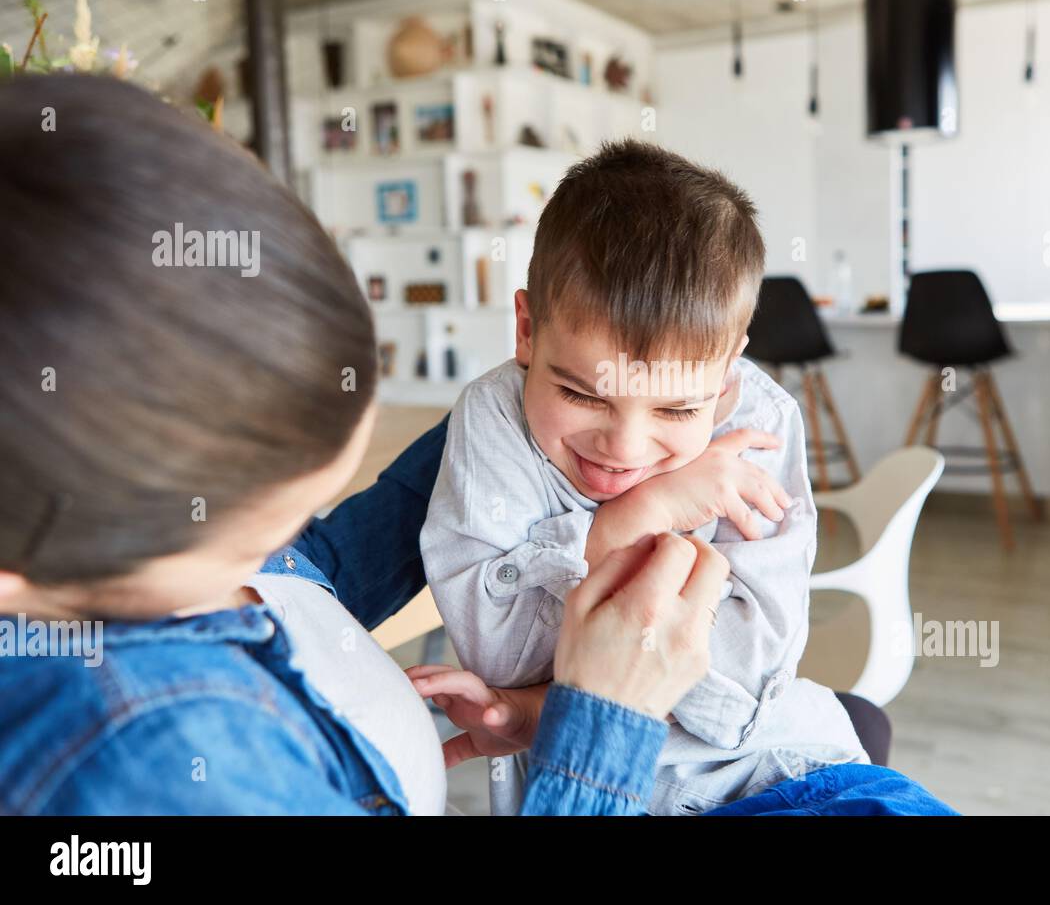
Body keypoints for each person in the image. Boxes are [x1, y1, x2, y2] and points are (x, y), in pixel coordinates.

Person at [0, 75, 721, 815]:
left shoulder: (137, 549)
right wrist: (604, 724)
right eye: (239, 545)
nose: (263, 568)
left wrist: (589, 406)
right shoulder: (156, 769)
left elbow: (317, 573)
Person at [420, 140, 868, 816]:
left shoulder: (762, 417)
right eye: (582, 394)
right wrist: (637, 517)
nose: (623, 448)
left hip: (787, 775)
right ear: (526, 331)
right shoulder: (494, 416)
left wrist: (555, 688)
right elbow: (502, 655)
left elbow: (742, 701)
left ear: (727, 374)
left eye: (678, 408)